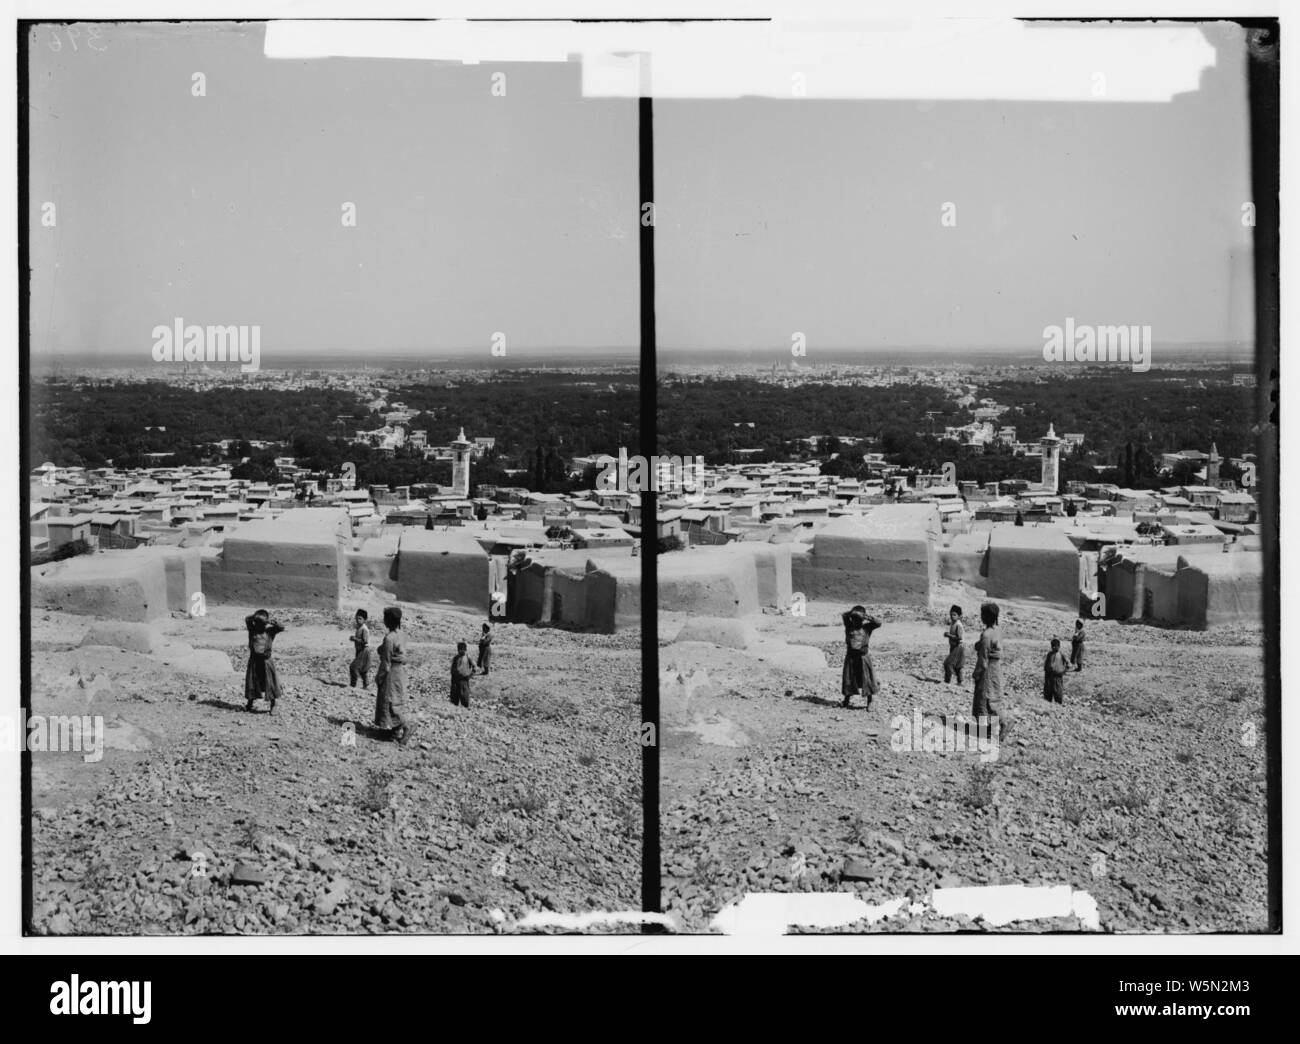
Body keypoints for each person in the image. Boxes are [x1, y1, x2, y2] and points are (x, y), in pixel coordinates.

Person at [373, 607, 412, 743]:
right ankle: (393, 732)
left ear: (388, 620)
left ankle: (406, 726)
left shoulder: (389, 638)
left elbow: (386, 662)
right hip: (400, 672)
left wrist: (379, 677)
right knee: (396, 700)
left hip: (391, 673)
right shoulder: (402, 634)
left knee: (389, 701)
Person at [972, 601, 1007, 738]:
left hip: (988, 669)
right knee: (994, 697)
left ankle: (1000, 724)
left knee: (984, 699)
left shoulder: (986, 634)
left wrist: (977, 673)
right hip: (996, 668)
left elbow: (983, 658)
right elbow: (992, 646)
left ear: (986, 617)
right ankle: (992, 727)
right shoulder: (997, 630)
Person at [244, 609, 285, 713]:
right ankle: (250, 703)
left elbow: (281, 628)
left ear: (265, 624)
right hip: (254, 661)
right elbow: (247, 619)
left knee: (270, 682)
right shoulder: (252, 630)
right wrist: (255, 617)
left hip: (266, 661)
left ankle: (273, 704)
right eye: (257, 623)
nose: (259, 626)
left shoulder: (270, 632)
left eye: (262, 624)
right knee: (252, 682)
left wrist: (272, 622)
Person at [841, 605, 882, 709]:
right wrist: (852, 612)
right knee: (849, 678)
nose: (855, 621)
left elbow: (878, 623)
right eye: (854, 619)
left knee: (867, 679)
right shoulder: (849, 626)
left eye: (858, 619)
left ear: (862, 620)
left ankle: (870, 701)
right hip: (851, 657)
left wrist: (867, 616)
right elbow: (844, 615)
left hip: (863, 657)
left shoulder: (867, 628)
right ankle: (846, 700)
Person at [349, 609, 372, 689]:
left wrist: (355, 639)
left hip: (364, 650)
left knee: (353, 667)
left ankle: (353, 685)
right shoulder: (359, 628)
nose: (358, 620)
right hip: (360, 650)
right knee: (362, 669)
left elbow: (365, 641)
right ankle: (366, 685)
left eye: (360, 618)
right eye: (357, 618)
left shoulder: (364, 629)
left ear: (365, 620)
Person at [942, 605, 965, 685]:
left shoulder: (958, 625)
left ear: (959, 616)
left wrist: (949, 635)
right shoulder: (953, 623)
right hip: (953, 646)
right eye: (951, 614)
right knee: (957, 664)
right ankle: (959, 681)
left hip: (958, 646)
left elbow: (959, 637)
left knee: (948, 663)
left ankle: (947, 681)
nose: (952, 616)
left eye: (954, 615)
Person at [450, 641, 476, 709]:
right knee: (454, 695)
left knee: (464, 695)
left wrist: (470, 676)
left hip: (464, 680)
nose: (461, 651)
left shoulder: (468, 657)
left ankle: (465, 709)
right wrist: (452, 677)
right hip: (455, 680)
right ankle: (454, 708)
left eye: (462, 650)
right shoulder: (456, 658)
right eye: (459, 650)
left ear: (465, 650)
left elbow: (474, 667)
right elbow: (452, 668)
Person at [1043, 638, 1069, 704]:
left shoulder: (1061, 654)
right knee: (1048, 693)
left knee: (1058, 692)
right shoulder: (1049, 654)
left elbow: (1068, 664)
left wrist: (1064, 670)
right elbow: (1046, 664)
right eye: (1053, 646)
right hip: (1049, 676)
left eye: (1056, 646)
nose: (1054, 647)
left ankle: (1058, 706)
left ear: (1059, 646)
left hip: (1058, 676)